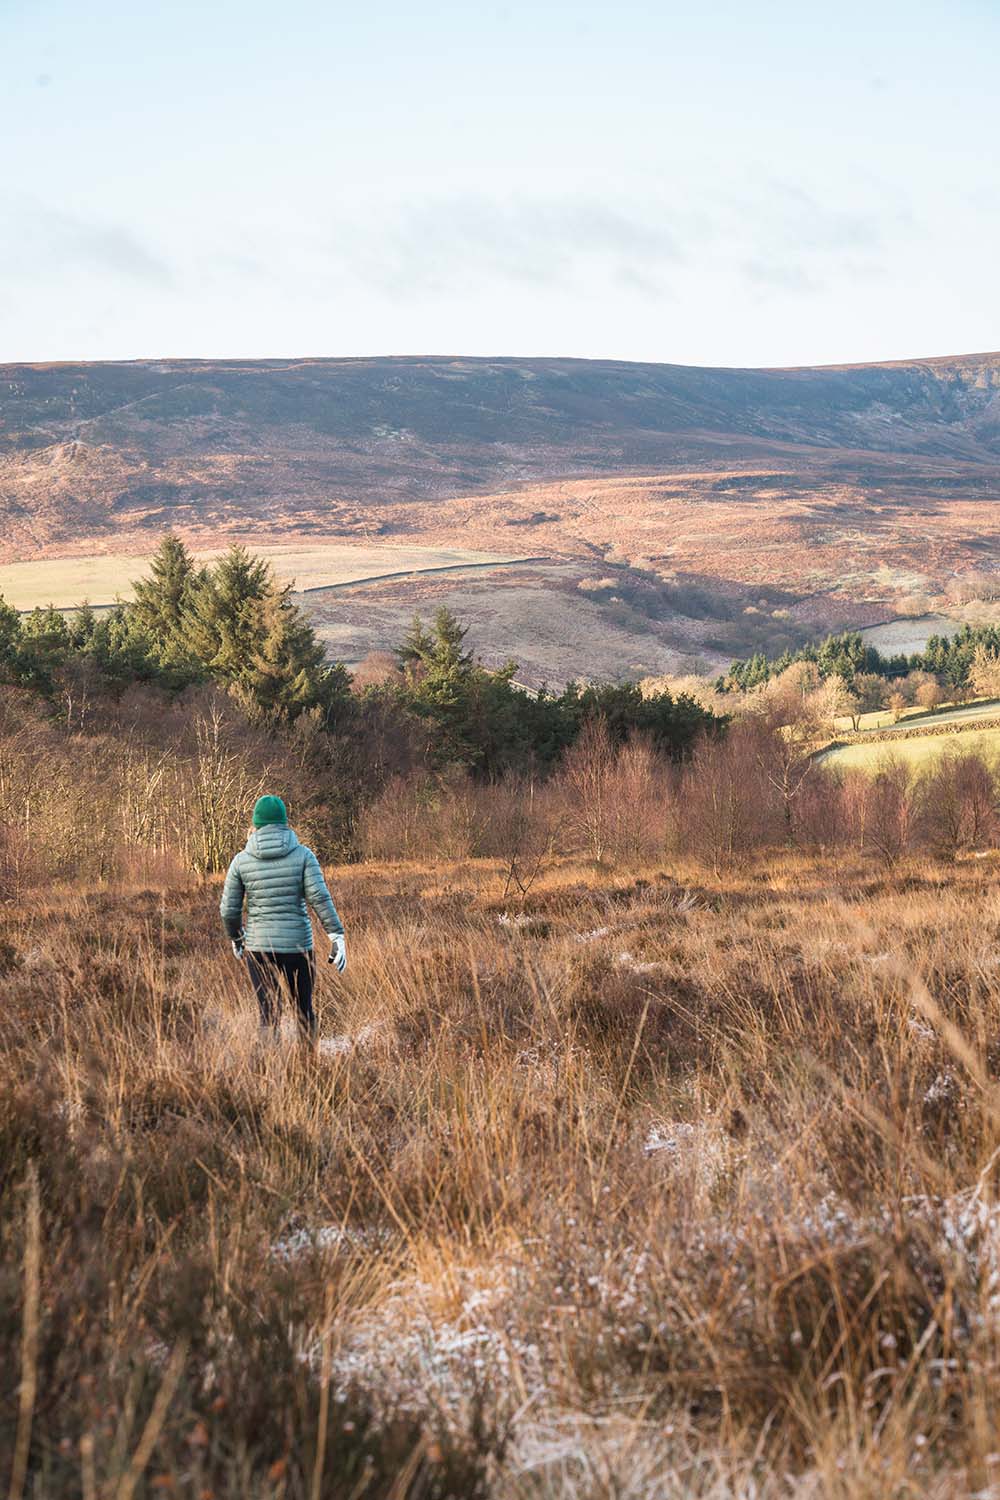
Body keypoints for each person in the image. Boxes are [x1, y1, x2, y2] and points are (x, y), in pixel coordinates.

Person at [220, 795, 346, 1040]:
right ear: (284, 822)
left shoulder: (240, 861)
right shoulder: (304, 856)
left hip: (259, 948)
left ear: (255, 824)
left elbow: (228, 910)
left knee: (268, 1015)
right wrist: (336, 935)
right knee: (304, 1011)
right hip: (298, 947)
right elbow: (319, 897)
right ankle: (309, 1060)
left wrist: (237, 938)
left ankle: (269, 1063)